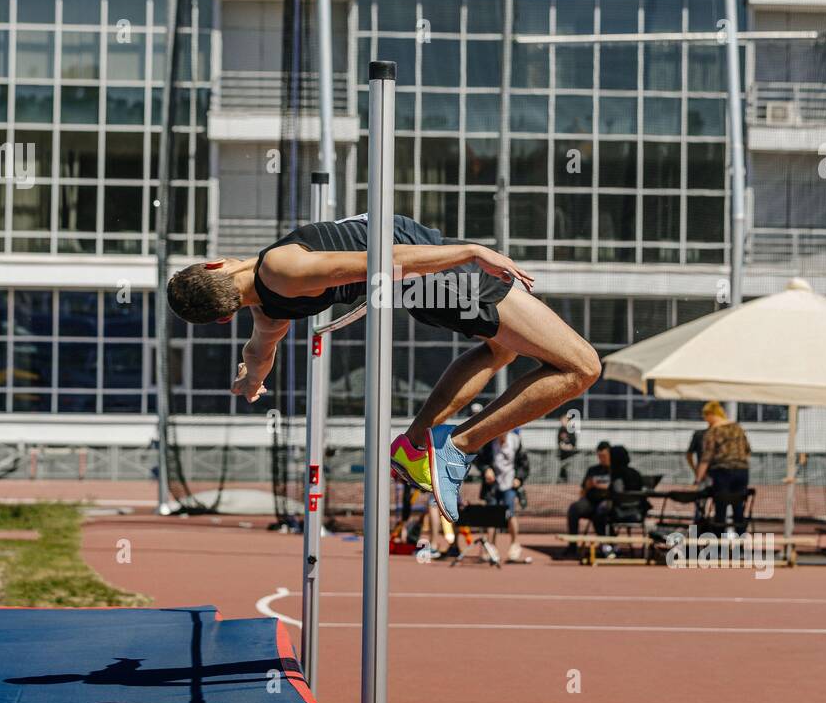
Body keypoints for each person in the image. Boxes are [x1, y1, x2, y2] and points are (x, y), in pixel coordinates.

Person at [167, 213, 601, 525]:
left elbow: (259, 353)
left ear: (225, 315)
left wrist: (250, 381)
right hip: (433, 276)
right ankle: (460, 447)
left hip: (425, 279)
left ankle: (415, 444)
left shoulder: (267, 311)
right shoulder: (283, 269)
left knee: (502, 350)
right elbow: (383, 260)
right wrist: (472, 251)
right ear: (214, 264)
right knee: (582, 367)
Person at [693, 401, 752, 534]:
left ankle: (719, 546)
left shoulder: (713, 432)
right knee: (738, 507)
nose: (706, 421)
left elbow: (706, 458)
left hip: (722, 472)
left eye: (706, 417)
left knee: (721, 508)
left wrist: (698, 479)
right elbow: (748, 450)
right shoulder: (737, 428)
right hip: (742, 472)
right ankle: (740, 545)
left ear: (711, 414)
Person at [474, 427, 530, 563]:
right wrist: (486, 470)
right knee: (491, 515)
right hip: (492, 485)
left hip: (509, 484)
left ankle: (515, 545)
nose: (501, 436)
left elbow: (524, 463)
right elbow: (479, 460)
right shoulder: (489, 443)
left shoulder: (515, 441)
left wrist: (519, 478)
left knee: (509, 513)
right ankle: (491, 547)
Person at [592, 444, 647, 542]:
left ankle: (610, 547)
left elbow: (618, 493)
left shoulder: (617, 473)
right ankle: (611, 545)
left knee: (598, 515)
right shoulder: (635, 472)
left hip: (622, 513)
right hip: (639, 512)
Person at [565, 440, 612, 556]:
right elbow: (582, 493)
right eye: (600, 456)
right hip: (591, 502)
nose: (602, 459)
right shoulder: (593, 470)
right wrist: (587, 487)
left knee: (601, 511)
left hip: (607, 503)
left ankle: (606, 547)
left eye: (604, 456)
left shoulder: (616, 470)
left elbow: (615, 489)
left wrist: (599, 485)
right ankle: (572, 546)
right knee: (574, 508)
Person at [684, 424, 708, 522]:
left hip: (715, 477)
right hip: (704, 477)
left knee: (700, 506)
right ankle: (697, 530)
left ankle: (698, 530)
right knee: (699, 506)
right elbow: (689, 454)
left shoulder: (721, 434)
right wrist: (697, 472)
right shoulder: (700, 434)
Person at [556, 414, 578, 483]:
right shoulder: (560, 430)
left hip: (571, 455)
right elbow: (559, 443)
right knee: (562, 469)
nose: (562, 422)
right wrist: (563, 446)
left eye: (563, 420)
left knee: (570, 469)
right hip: (562, 455)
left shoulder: (571, 430)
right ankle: (562, 480)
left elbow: (573, 444)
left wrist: (568, 447)